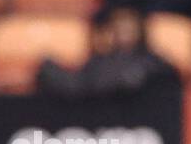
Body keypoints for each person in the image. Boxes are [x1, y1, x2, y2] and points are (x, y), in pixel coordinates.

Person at [36, 6, 179, 97]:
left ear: (140, 28)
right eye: (119, 24)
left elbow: (171, 85)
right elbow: (78, 86)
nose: (125, 30)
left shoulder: (154, 63)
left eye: (129, 24)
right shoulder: (99, 63)